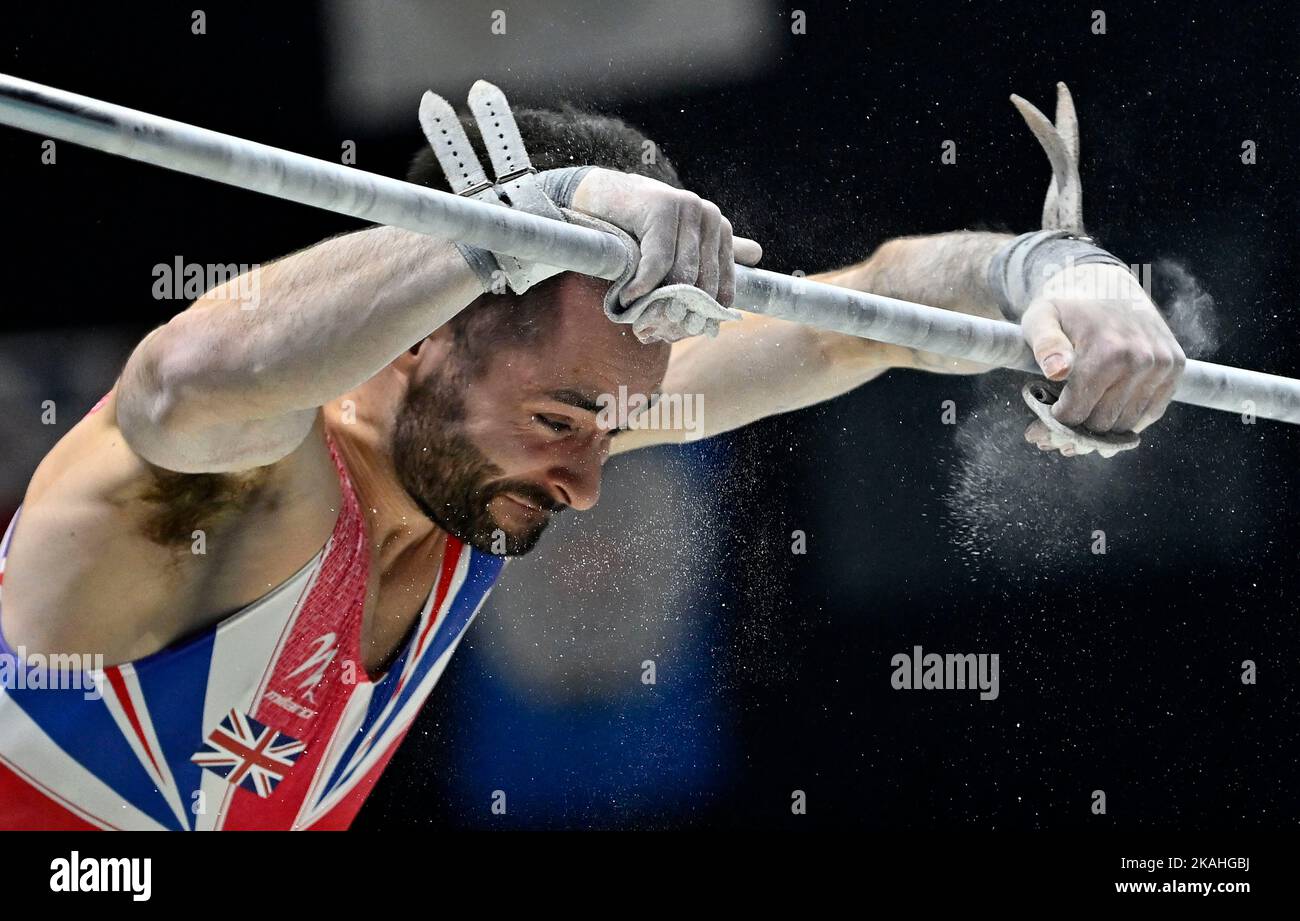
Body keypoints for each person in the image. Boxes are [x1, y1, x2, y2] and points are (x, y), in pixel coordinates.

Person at [0, 102, 1183, 830]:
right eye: (566, 417)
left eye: (609, 426)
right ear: (423, 335)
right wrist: (531, 212)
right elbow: (182, 379)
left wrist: (1041, 273)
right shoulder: (245, 482)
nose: (587, 483)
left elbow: (852, 317)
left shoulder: (483, 462)